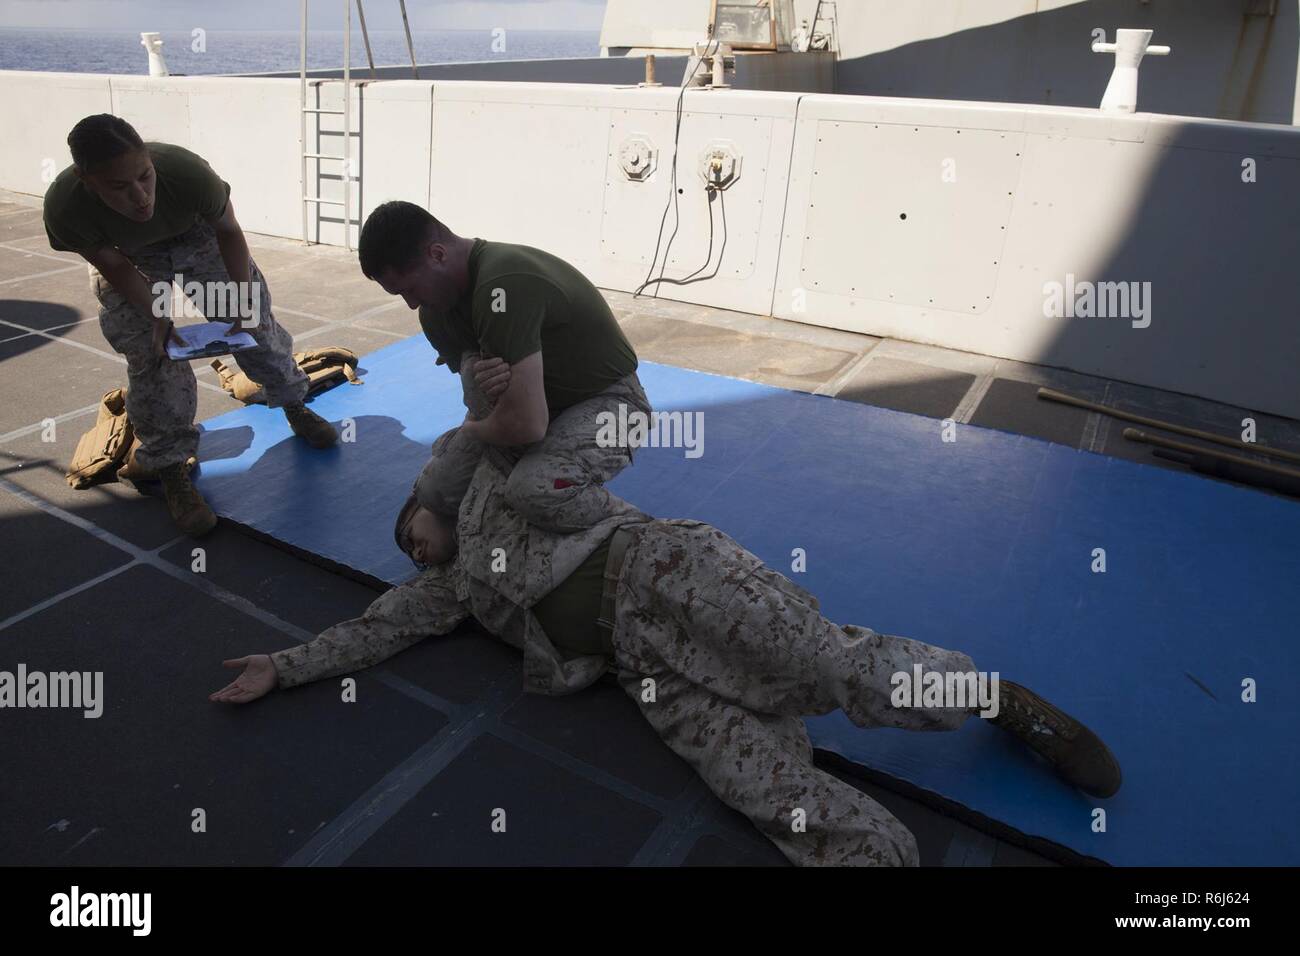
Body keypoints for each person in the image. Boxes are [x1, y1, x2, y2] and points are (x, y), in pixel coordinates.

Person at [211, 437, 1124, 867]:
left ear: (426, 500)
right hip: (640, 666)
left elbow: (537, 410)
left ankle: (998, 700)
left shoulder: (489, 474)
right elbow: (375, 628)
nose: (411, 551)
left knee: (829, 667)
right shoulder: (446, 591)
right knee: (757, 784)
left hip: (667, 573)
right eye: (408, 555)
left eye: (410, 533)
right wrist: (285, 667)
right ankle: (879, 859)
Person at [42, 114, 338, 537]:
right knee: (153, 353)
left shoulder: (186, 173)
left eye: (145, 176)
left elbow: (230, 232)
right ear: (87, 181)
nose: (141, 196)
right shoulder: (66, 207)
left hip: (195, 235)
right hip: (129, 256)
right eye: (120, 188)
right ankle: (170, 467)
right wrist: (159, 315)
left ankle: (293, 403)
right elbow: (111, 264)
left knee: (251, 325)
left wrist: (239, 299)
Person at [357, 200, 650, 533]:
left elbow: (525, 425)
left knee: (533, 491)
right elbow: (484, 400)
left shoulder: (504, 282)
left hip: (610, 404)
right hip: (534, 411)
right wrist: (482, 390)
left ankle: (640, 536)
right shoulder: (434, 313)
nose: (411, 303)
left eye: (410, 288)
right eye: (399, 294)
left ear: (437, 254)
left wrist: (470, 430)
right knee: (434, 492)